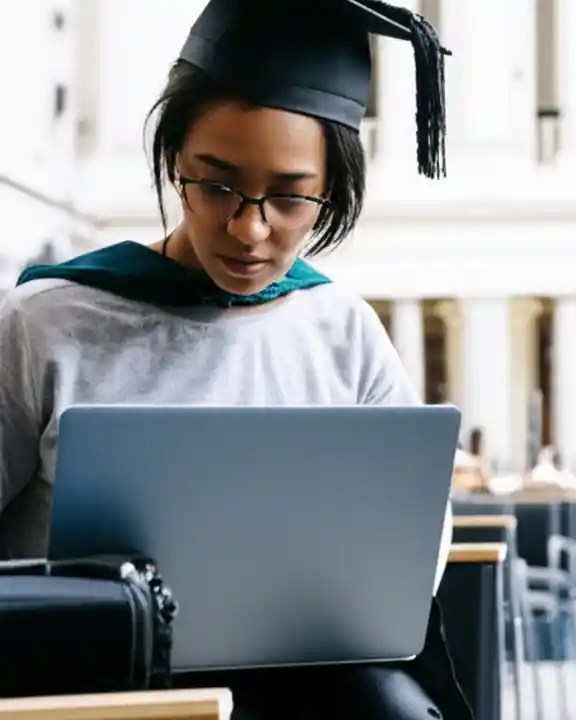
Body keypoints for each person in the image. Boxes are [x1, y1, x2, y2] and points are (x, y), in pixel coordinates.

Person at [0, 0, 467, 717]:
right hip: (92, 681)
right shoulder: (49, 322)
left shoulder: (342, 332)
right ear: (172, 158)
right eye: (215, 185)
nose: (249, 229)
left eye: (288, 198)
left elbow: (409, 547)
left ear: (332, 190)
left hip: (304, 677)